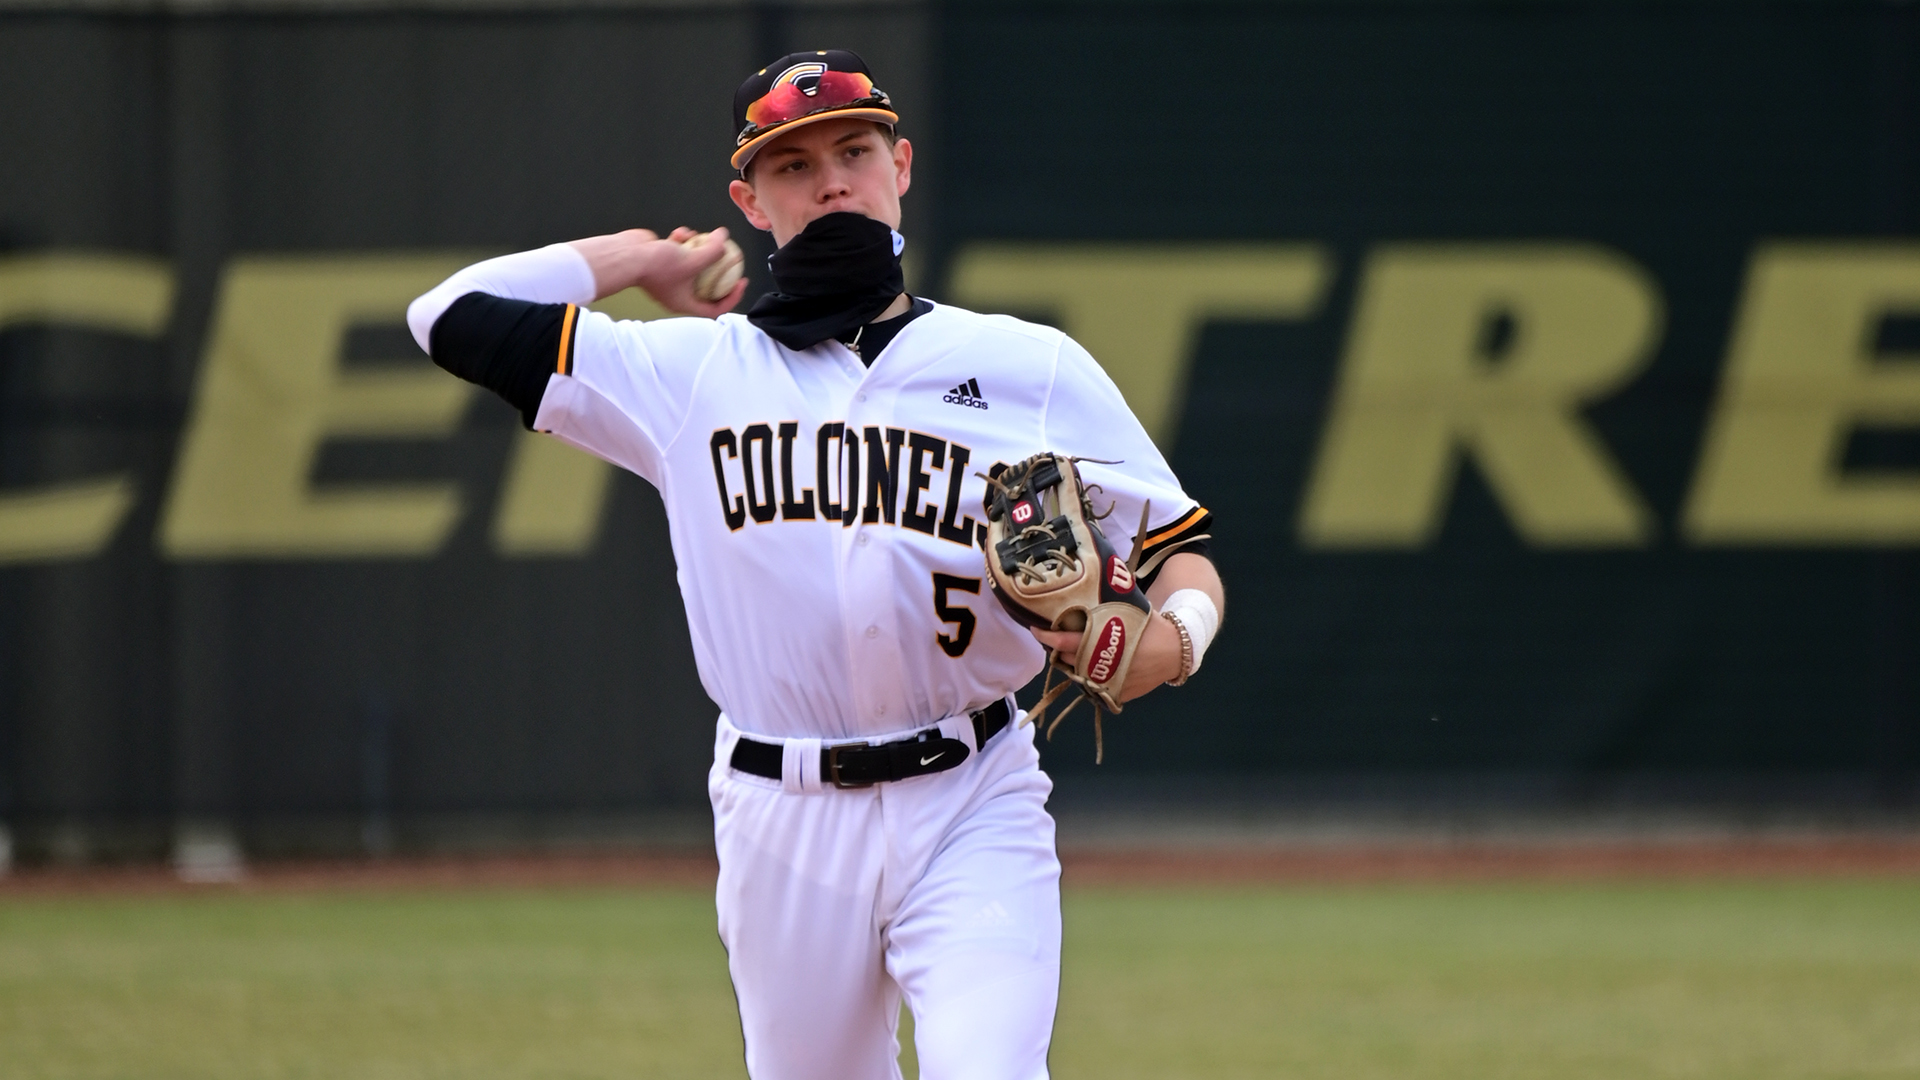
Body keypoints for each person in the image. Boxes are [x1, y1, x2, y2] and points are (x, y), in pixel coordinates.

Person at [407, 49, 1224, 1080]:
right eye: (792, 166)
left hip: (973, 790)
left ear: (902, 165)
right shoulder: (690, 374)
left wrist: (1177, 643)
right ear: (749, 200)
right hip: (781, 816)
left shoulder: (1028, 365)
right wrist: (635, 256)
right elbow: (446, 318)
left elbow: (1180, 552)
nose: (831, 178)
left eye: (854, 149)